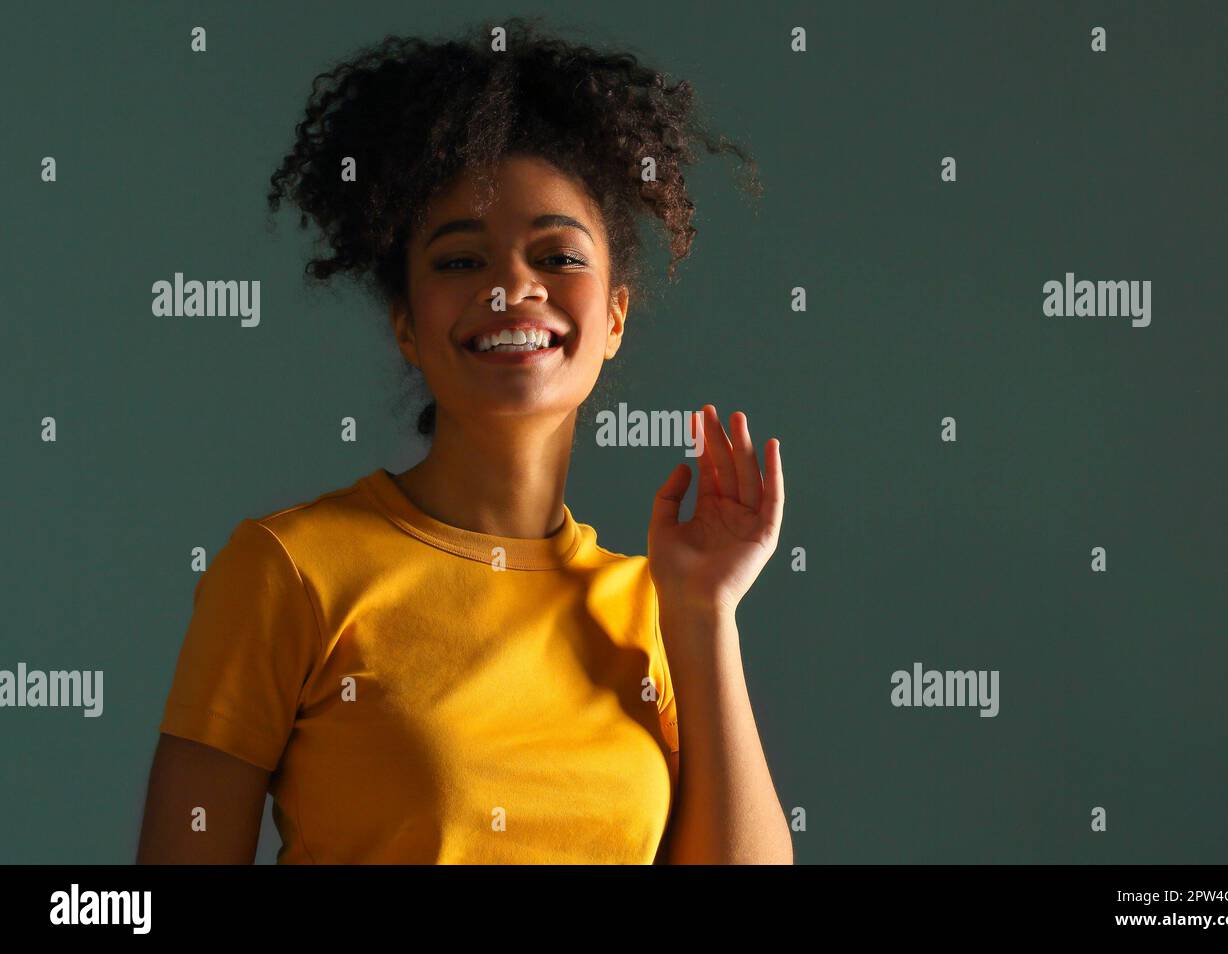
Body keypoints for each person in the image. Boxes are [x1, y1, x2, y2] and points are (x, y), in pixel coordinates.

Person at [137, 16, 790, 864]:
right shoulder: (289, 570)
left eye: (557, 256)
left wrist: (704, 616)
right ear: (407, 326)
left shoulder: (653, 610)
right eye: (458, 262)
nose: (512, 286)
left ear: (616, 317)